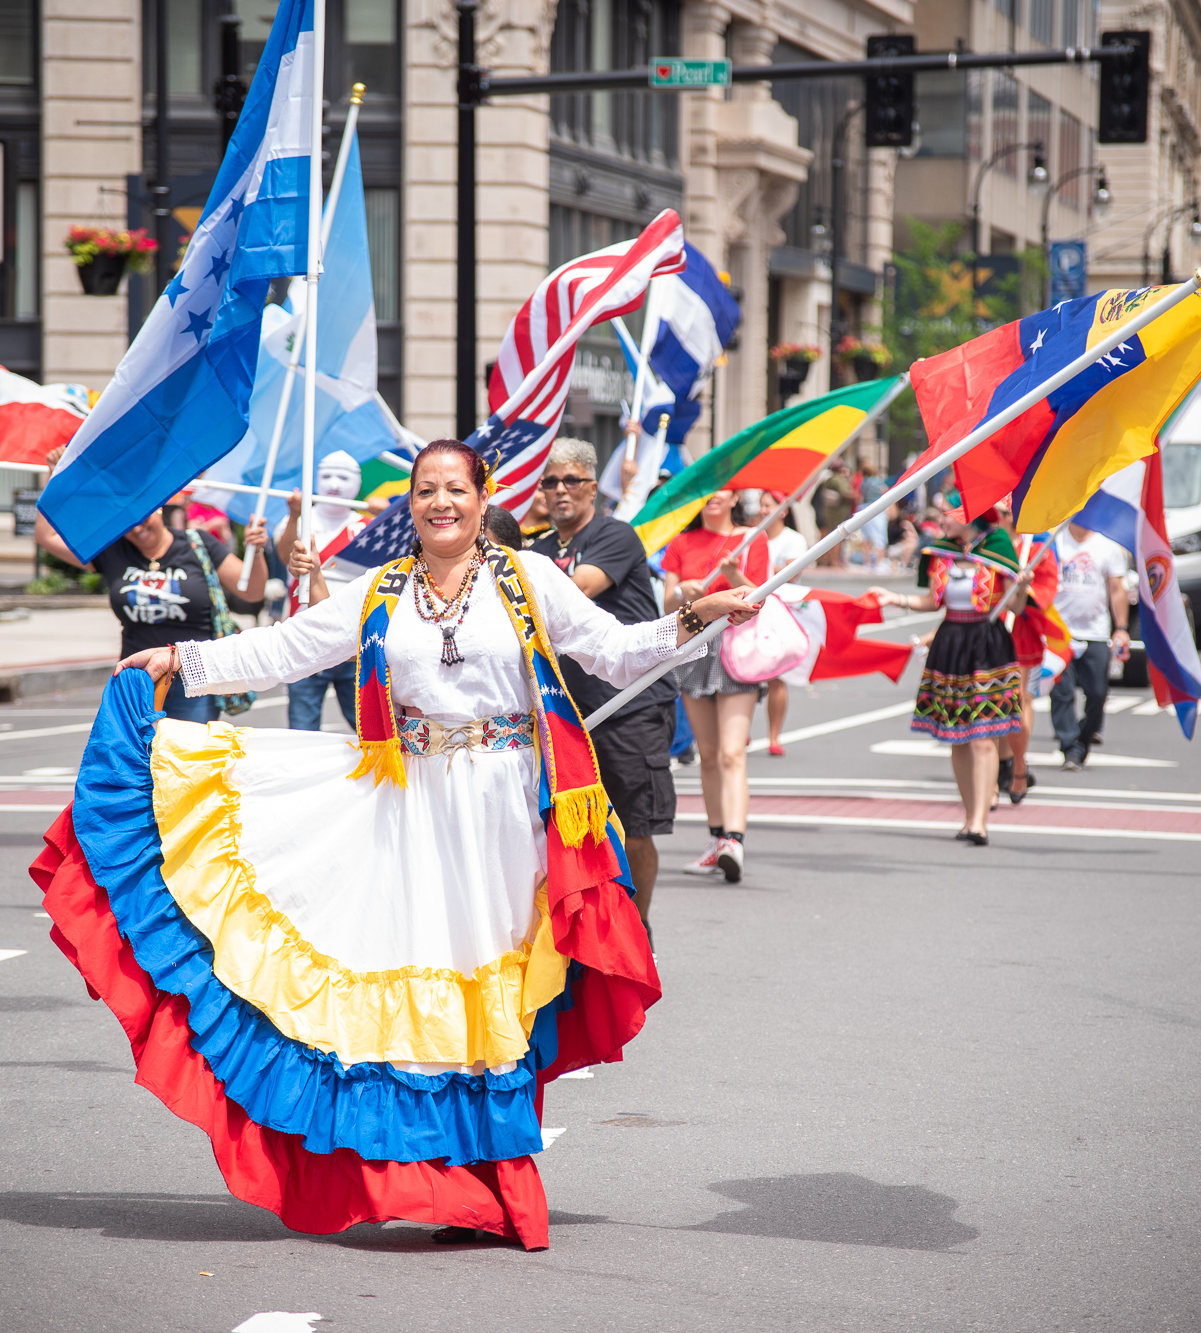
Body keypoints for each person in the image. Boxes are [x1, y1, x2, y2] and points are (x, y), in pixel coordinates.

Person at [45, 439, 755, 1250]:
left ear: (484, 498)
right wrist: (182, 658)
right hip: (410, 807)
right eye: (427, 489)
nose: (440, 502)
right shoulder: (380, 590)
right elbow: (287, 647)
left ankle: (492, 1178)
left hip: (504, 814)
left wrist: (698, 616)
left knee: (489, 997)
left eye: (456, 488)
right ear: (410, 501)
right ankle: (441, 1180)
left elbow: (615, 649)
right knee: (425, 984)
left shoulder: (528, 580)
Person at [529, 439, 680, 926]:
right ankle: (594, 935)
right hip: (570, 710)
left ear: (593, 487)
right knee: (578, 827)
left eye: (571, 480)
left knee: (634, 827)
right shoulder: (540, 551)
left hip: (630, 703)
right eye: (550, 482)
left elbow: (574, 593)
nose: (560, 491)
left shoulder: (615, 535)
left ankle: (639, 929)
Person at [872, 500, 1029, 844]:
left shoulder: (999, 547)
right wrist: (894, 598)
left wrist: (1020, 585)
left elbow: (1016, 607)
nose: (941, 521)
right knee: (957, 736)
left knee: (984, 735)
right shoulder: (940, 552)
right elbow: (933, 601)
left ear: (970, 516)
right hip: (951, 642)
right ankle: (968, 812)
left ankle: (979, 822)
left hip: (987, 642)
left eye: (949, 515)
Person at [34, 503, 264, 724]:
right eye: (126, 524)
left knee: (183, 759)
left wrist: (257, 552)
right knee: (135, 761)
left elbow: (252, 591)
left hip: (192, 680)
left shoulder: (197, 544)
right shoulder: (113, 551)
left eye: (142, 518)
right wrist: (56, 478)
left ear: (159, 508)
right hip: (135, 680)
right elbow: (47, 537)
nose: (136, 528)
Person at [660, 488, 770, 883]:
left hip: (736, 646)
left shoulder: (752, 538)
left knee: (730, 752)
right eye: (707, 491)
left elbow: (760, 600)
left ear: (736, 496)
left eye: (722, 490)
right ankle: (716, 838)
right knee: (707, 753)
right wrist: (682, 593)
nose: (714, 497)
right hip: (693, 644)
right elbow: (667, 608)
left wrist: (733, 574)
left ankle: (734, 842)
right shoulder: (681, 542)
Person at [272, 452, 371, 731]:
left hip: (354, 637)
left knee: (367, 726)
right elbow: (283, 555)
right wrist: (294, 516)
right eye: (327, 476)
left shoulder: (369, 525)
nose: (335, 485)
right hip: (306, 634)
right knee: (302, 727)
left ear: (357, 482)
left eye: (343, 477)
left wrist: (389, 514)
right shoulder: (301, 519)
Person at [1049, 518, 1132, 772]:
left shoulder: (1107, 546)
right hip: (1058, 633)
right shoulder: (1053, 542)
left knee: (1097, 692)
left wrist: (1121, 628)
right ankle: (1069, 747)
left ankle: (1083, 739)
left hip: (1095, 632)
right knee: (1061, 693)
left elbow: (1117, 589)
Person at [997, 515, 1061, 804]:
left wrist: (1025, 583)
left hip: (1023, 635)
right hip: (989, 631)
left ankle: (1017, 765)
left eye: (1005, 512)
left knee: (1020, 700)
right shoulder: (985, 546)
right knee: (993, 702)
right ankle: (1000, 765)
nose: (999, 516)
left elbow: (1045, 592)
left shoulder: (1034, 550)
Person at [757, 490, 808, 756]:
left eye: (769, 505)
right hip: (753, 612)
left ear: (783, 510)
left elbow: (793, 570)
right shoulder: (751, 537)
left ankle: (773, 736)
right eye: (761, 505)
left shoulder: (794, 539)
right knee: (744, 673)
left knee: (776, 678)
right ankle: (742, 732)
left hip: (783, 615)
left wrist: (761, 570)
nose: (763, 510)